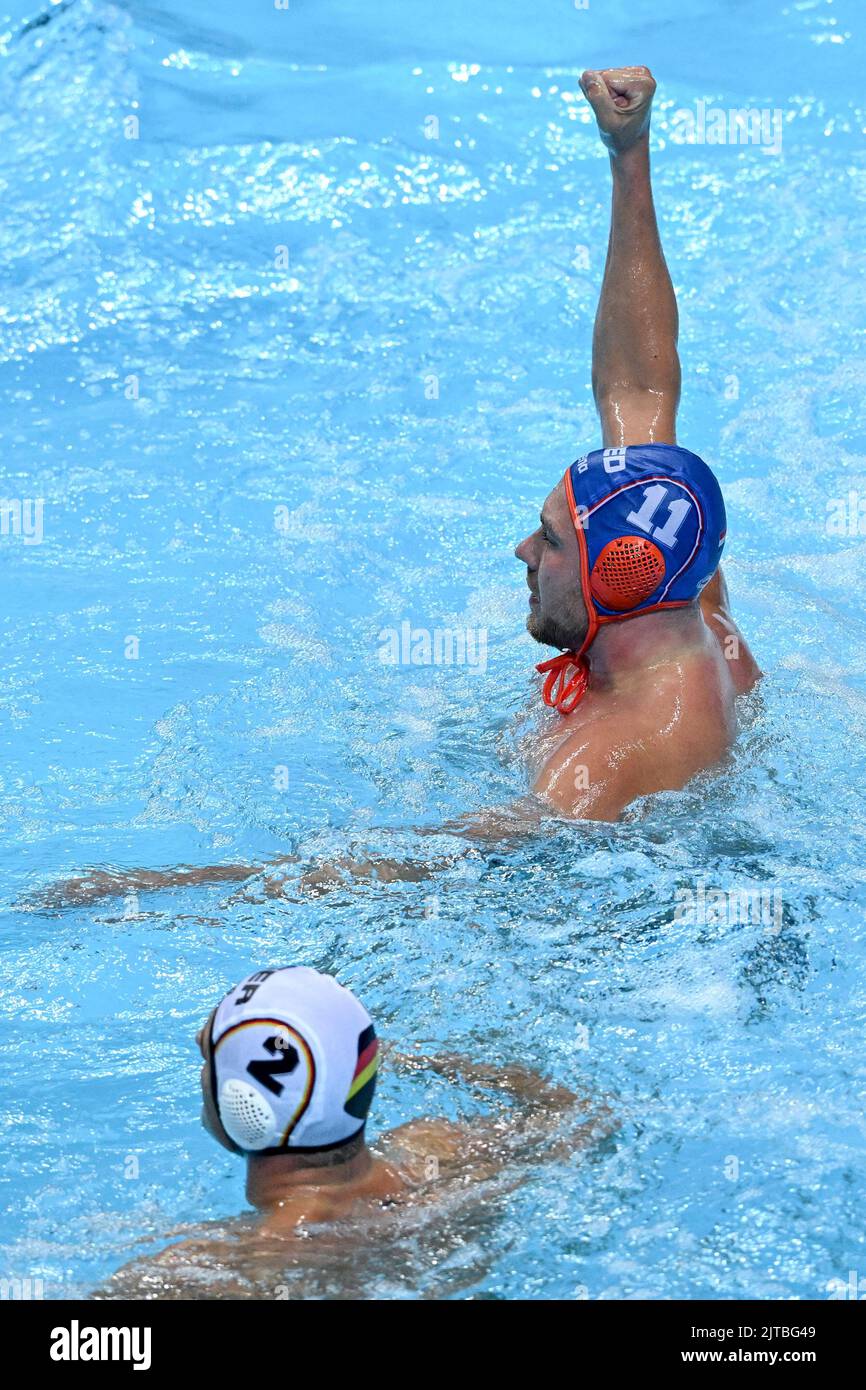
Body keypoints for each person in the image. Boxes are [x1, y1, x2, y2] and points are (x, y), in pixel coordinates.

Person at [41, 65, 760, 909]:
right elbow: (639, 390)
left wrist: (154, 886)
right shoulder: (687, 590)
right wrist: (627, 153)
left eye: (551, 539)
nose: (522, 550)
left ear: (621, 574)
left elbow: (430, 862)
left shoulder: (598, 764)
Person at [95, 966, 603, 1297]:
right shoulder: (444, 1154)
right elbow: (580, 1111)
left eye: (210, 1057)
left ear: (244, 1102)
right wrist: (428, 1059)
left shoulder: (214, 1270)